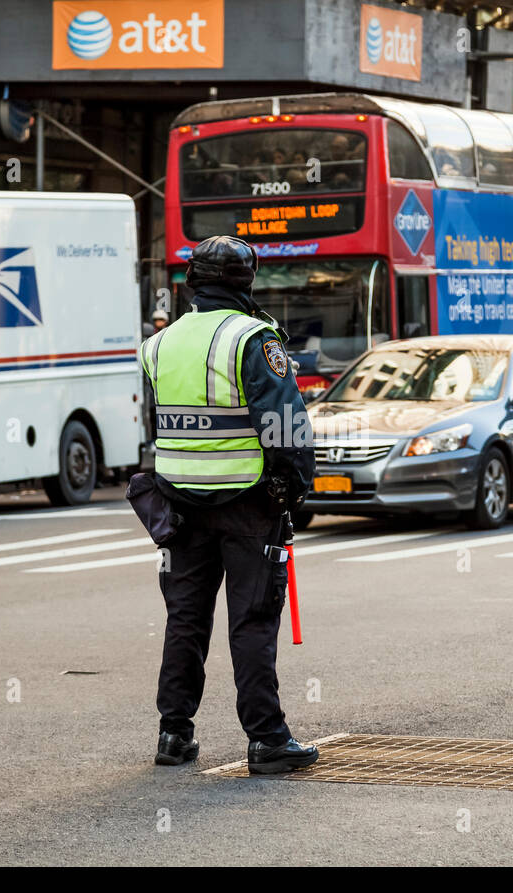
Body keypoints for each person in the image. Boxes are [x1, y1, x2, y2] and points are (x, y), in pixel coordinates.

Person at [137, 235, 319, 775]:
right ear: (247, 282)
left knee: (185, 621)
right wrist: (295, 487)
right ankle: (266, 740)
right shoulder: (252, 338)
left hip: (178, 508)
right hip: (246, 504)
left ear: (193, 282)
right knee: (253, 620)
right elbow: (285, 426)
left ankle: (174, 735)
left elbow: (166, 423)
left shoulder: (160, 344)